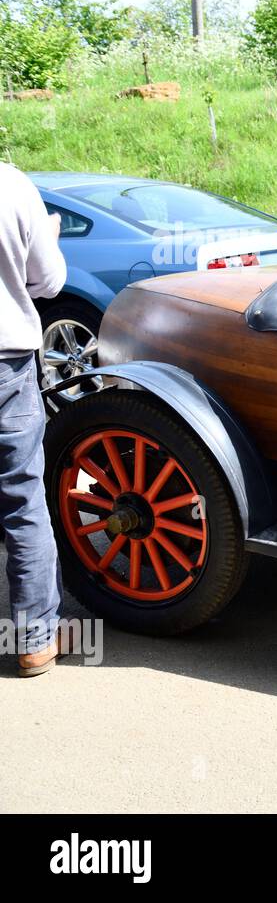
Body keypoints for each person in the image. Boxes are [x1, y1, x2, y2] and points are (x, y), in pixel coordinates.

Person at [1, 163, 67, 677]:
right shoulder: (12, 184)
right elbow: (48, 282)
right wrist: (48, 236)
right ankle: (34, 641)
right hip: (7, 362)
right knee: (23, 498)